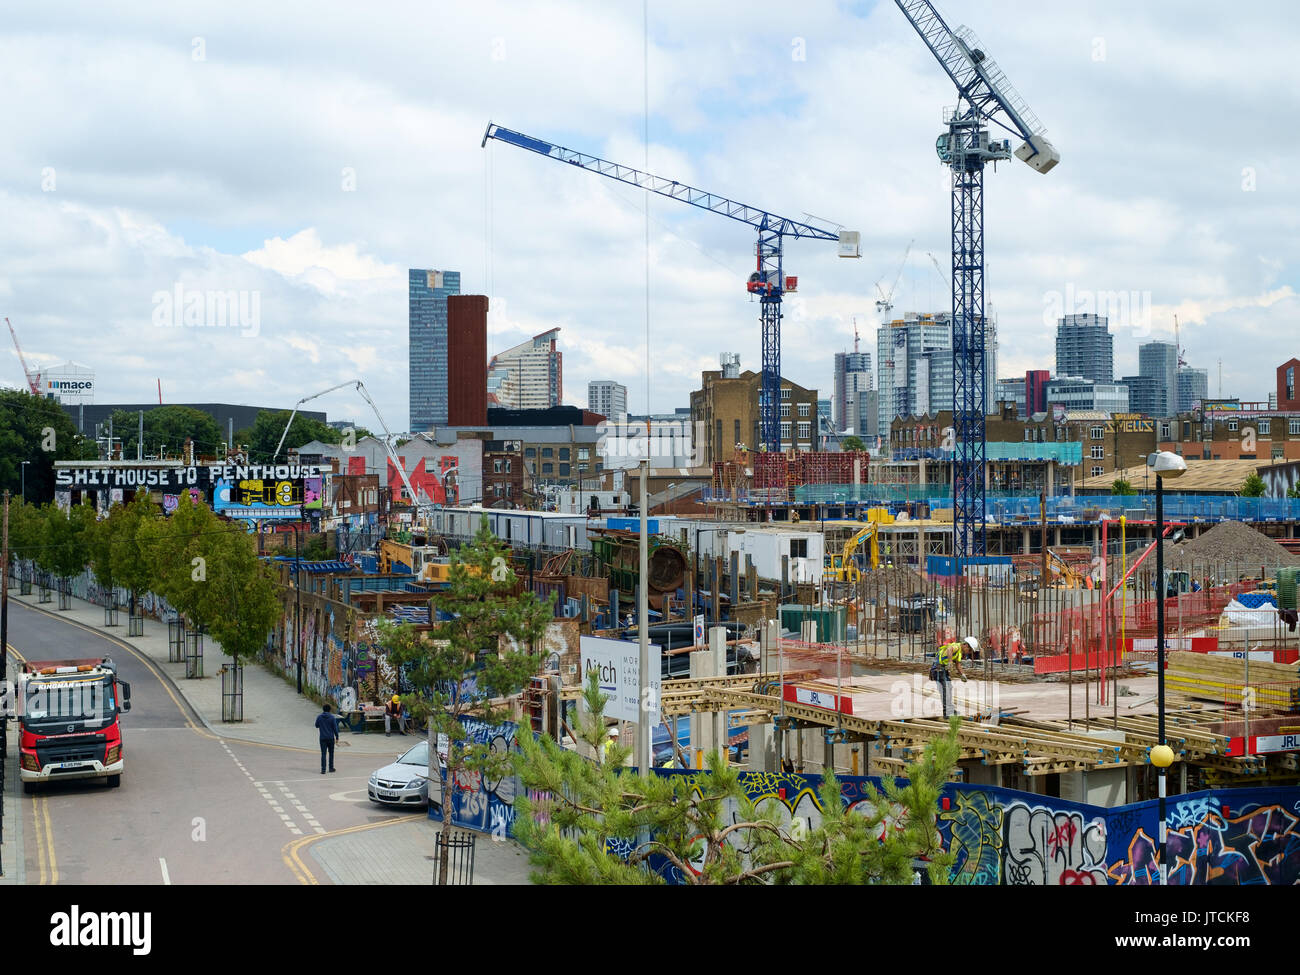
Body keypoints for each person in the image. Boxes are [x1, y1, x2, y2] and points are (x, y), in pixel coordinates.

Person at [931, 637, 971, 718]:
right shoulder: (956, 647)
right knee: (945, 690)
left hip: (942, 670)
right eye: (969, 650)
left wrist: (962, 674)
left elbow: (958, 664)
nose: (969, 652)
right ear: (965, 645)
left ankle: (950, 709)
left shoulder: (959, 652)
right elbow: (949, 648)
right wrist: (950, 661)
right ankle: (947, 713)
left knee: (948, 688)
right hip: (938, 669)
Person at [315, 703, 340, 774]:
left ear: (323, 709)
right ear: (329, 710)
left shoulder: (319, 717)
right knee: (331, 753)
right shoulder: (332, 717)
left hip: (322, 738)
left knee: (323, 754)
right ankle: (331, 768)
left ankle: (323, 769)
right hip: (330, 738)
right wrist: (337, 737)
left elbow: (316, 725)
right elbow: (335, 728)